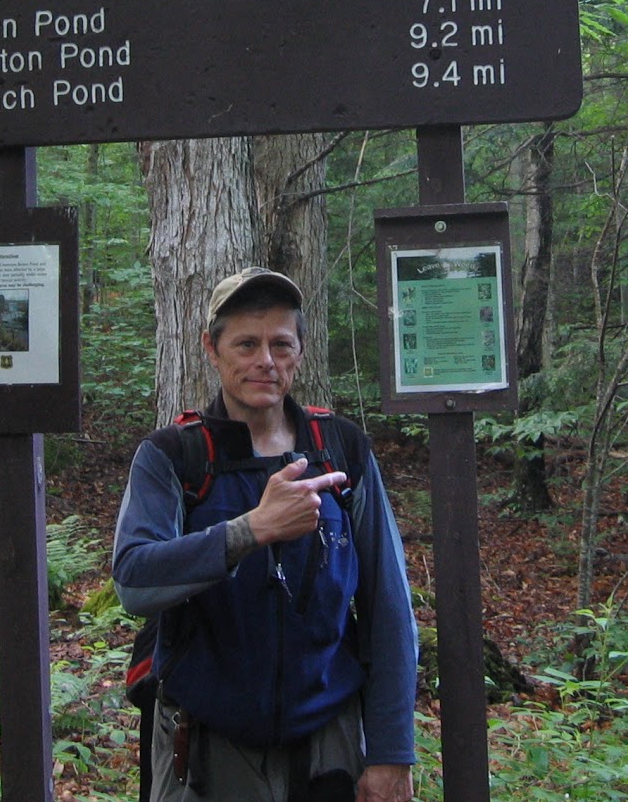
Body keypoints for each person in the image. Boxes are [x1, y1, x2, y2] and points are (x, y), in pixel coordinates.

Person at [113, 267, 418, 802]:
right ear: (212, 349)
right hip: (206, 743)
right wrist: (251, 530)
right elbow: (134, 582)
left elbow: (389, 607)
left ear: (301, 352)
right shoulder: (175, 456)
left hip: (328, 738)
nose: (266, 361)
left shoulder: (340, 450)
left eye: (281, 344)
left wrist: (392, 749)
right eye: (246, 344)